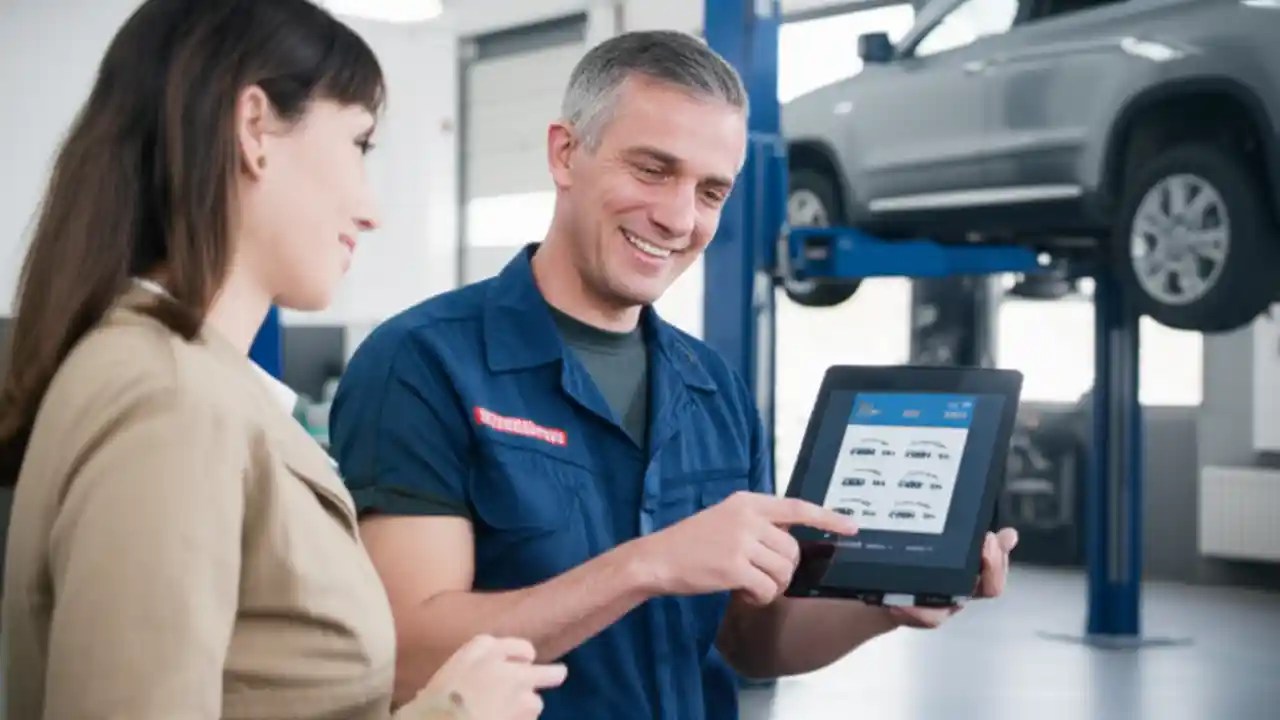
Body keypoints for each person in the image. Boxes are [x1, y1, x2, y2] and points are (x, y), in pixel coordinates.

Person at [329, 30, 1020, 720]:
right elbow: (408, 654)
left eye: (711, 191)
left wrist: (890, 604)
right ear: (565, 153)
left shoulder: (713, 388)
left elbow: (749, 638)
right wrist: (646, 566)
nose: (679, 218)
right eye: (652, 170)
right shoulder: (424, 363)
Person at [0, 1, 564, 718]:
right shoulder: (170, 399)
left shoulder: (184, 380)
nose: (372, 210)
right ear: (255, 129)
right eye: (360, 144)